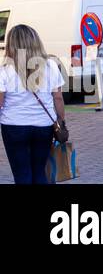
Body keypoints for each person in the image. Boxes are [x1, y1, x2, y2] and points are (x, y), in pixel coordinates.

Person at [0, 25, 67, 185]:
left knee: (22, 174)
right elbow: (58, 98)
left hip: (13, 126)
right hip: (43, 126)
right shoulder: (50, 66)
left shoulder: (4, 70)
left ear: (11, 44)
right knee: (40, 172)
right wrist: (61, 121)